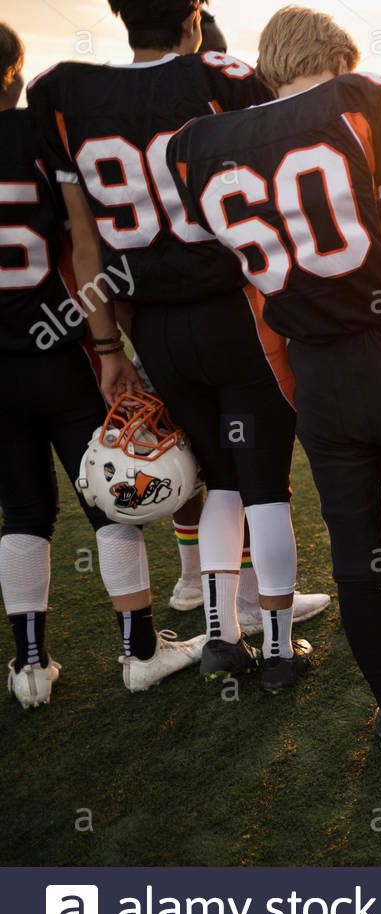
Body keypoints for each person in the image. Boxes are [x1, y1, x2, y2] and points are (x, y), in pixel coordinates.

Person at [168, 5, 381, 756]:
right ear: (339, 56)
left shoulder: (199, 145)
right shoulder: (375, 103)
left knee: (355, 553)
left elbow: (250, 288)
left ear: (269, 68)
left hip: (317, 369)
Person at [26, 0, 330, 693]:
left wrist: (107, 348)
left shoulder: (69, 94)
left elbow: (85, 239)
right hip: (235, 312)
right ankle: (279, 648)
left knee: (218, 476)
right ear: (194, 13)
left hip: (156, 326)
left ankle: (223, 637)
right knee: (266, 486)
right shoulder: (219, 76)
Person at [0, 22, 201, 704]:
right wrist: (113, 343)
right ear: (15, 71)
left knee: (22, 510)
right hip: (60, 347)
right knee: (109, 500)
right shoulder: (39, 135)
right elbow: (87, 241)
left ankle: (30, 667)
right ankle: (140, 649)